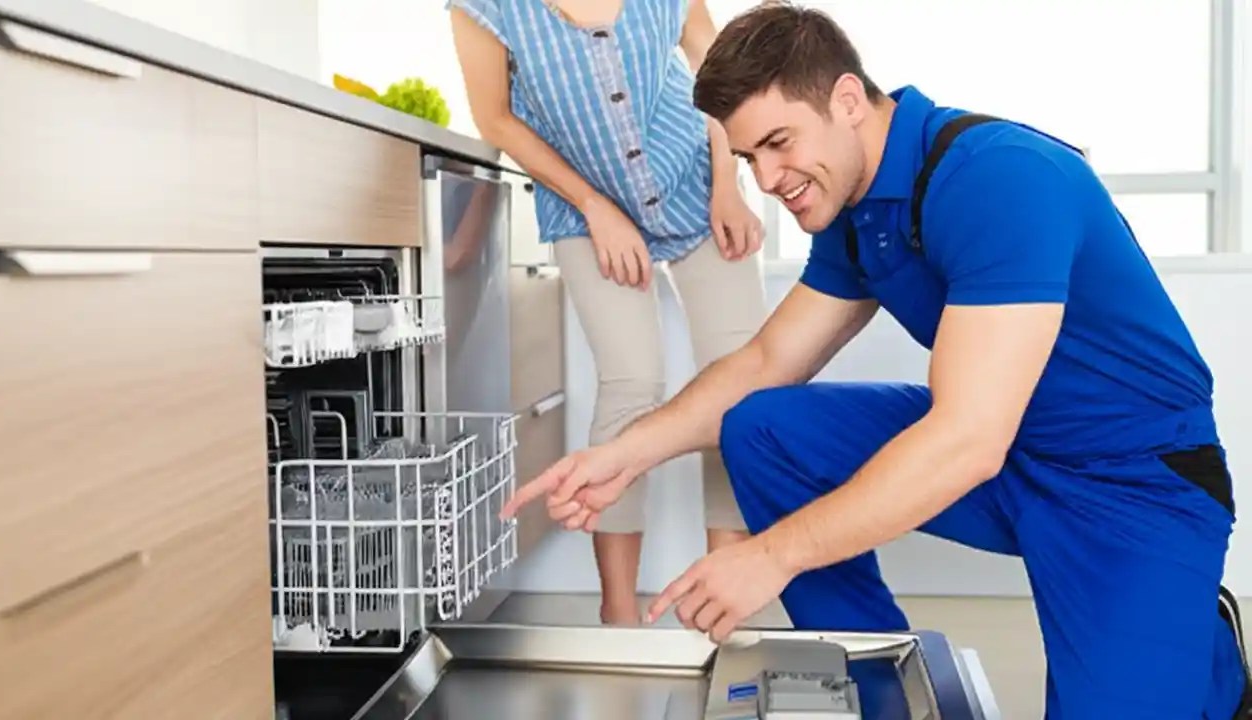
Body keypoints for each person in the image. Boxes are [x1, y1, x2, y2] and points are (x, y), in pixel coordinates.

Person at [500, 2, 1252, 717]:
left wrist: (770, 557)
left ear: (849, 99)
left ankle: (1197, 646)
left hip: (1131, 484)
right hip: (1012, 450)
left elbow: (966, 441)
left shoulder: (1001, 178)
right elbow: (766, 361)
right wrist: (625, 454)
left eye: (779, 142)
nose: (765, 180)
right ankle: (869, 680)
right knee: (764, 428)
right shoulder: (857, 211)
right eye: (746, 155)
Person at [446, 0, 768, 625]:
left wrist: (730, 184)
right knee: (631, 383)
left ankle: (721, 601)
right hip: (579, 204)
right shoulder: (483, 8)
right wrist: (593, 205)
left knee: (742, 389)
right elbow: (496, 117)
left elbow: (720, 71)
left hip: (695, 184)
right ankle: (617, 613)